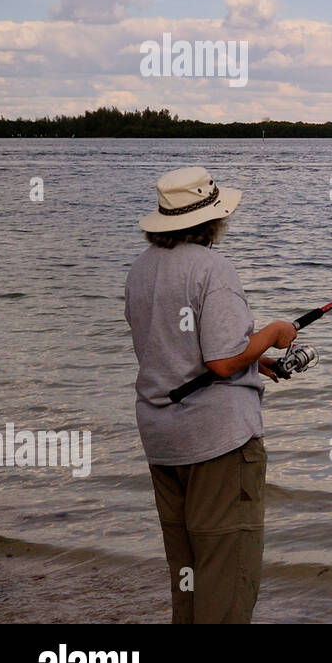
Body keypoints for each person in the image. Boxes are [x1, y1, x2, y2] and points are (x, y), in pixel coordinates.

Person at [124, 166, 296, 623]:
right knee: (227, 579)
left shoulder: (140, 270)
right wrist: (275, 333)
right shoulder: (213, 269)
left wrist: (253, 360)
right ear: (211, 219)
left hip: (163, 442)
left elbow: (171, 349)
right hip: (217, 444)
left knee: (189, 574)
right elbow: (221, 361)